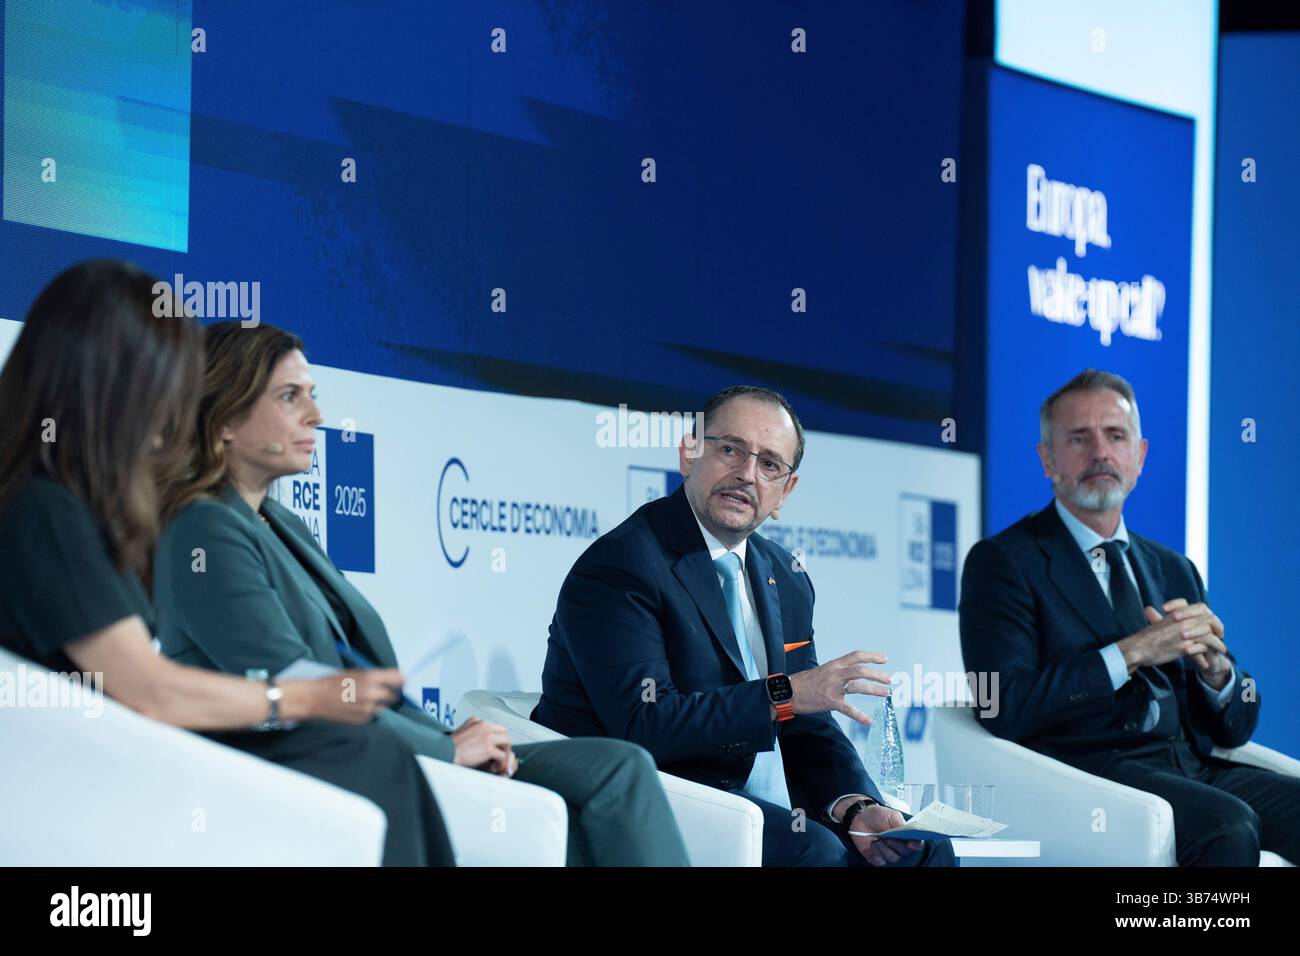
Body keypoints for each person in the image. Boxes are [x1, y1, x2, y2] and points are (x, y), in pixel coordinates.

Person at [152, 320, 689, 867]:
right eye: (290, 397)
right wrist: (446, 749)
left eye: (313, 395)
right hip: (299, 763)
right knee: (613, 774)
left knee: (600, 783)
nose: (316, 415)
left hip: (370, 743)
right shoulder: (204, 528)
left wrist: (453, 735)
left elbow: (360, 675)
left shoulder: (278, 521)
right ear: (222, 419)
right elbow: (294, 686)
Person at [0, 260, 455, 867]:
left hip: (110, 761)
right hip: (81, 783)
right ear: (108, 384)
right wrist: (301, 699)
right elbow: (149, 691)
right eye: (164, 389)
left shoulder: (63, 506)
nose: (171, 417)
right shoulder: (45, 513)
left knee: (363, 753)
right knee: (360, 755)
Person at [535, 385, 957, 867]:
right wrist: (785, 694)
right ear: (689, 454)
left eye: (770, 464)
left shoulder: (785, 575)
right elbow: (642, 724)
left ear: (785, 491)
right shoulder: (623, 565)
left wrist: (856, 806)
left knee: (923, 849)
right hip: (653, 798)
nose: (746, 475)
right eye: (730, 449)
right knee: (812, 852)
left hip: (755, 805)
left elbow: (807, 721)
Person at [959, 368, 1299, 866]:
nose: (1100, 452)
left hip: (1191, 767)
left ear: (1138, 456)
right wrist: (1132, 652)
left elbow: (1234, 730)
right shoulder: (1005, 561)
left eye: (1115, 436)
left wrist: (1217, 674)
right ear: (1047, 460)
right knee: (1228, 825)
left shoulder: (1172, 567)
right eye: (1079, 438)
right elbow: (1001, 703)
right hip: (1092, 772)